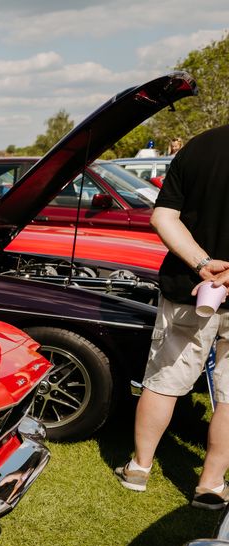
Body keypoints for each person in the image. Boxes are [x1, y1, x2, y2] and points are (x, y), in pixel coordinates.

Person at [115, 123, 229, 508]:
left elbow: (163, 218)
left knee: (163, 378)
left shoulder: (198, 145)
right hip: (203, 287)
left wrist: (204, 265)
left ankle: (138, 468)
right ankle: (210, 485)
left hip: (189, 286)